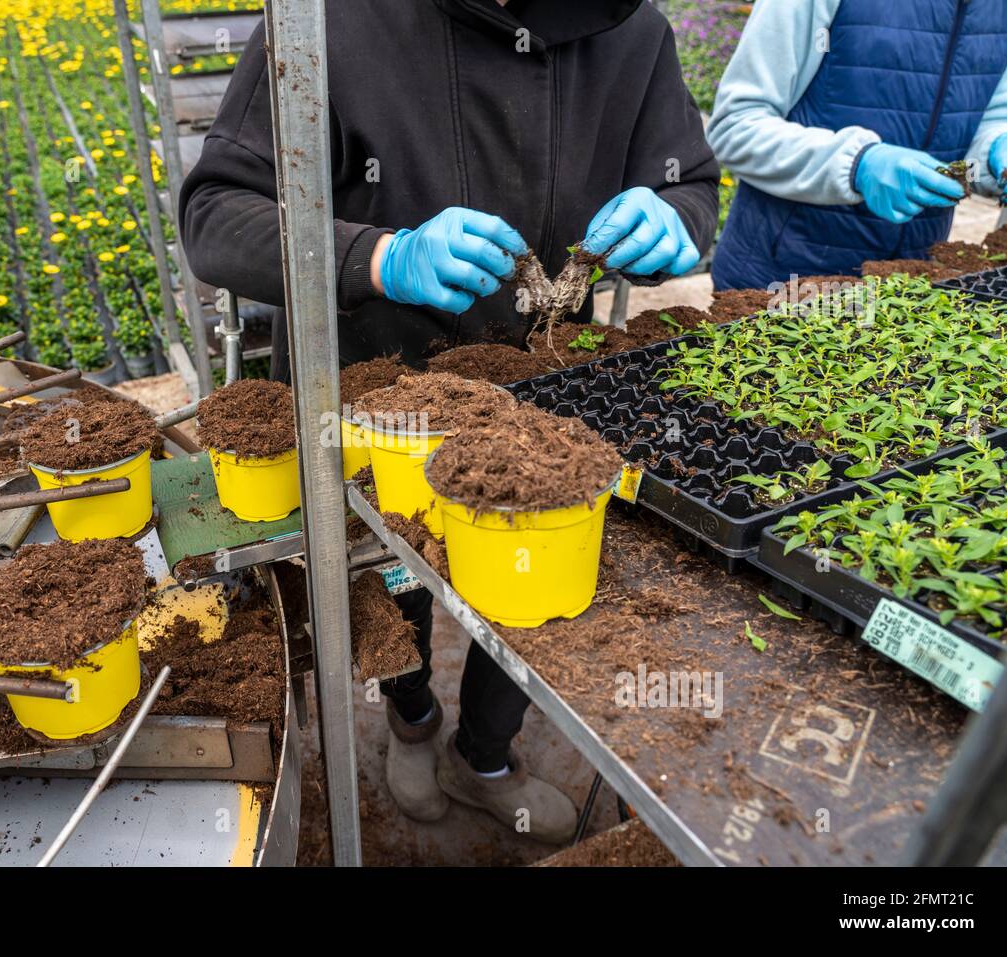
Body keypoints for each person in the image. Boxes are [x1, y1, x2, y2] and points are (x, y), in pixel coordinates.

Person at [181, 0, 717, 843]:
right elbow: (216, 214)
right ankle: (411, 713)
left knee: (531, 575)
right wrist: (381, 257)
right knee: (396, 570)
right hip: (377, 381)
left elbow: (689, 180)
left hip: (538, 378)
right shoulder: (333, 22)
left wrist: (676, 217)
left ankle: (485, 750)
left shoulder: (630, 32)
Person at [708, 0, 1007, 292]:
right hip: (783, 279)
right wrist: (856, 165)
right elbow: (736, 125)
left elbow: (990, 116)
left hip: (909, 284)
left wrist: (999, 152)